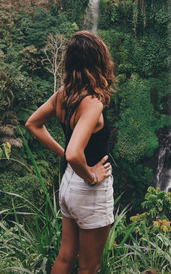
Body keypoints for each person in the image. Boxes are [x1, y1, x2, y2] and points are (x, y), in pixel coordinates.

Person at [25, 30, 115, 274]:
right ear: (99, 61)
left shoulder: (63, 94)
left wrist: (63, 154)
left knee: (65, 258)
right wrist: (92, 176)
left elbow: (32, 124)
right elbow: (75, 153)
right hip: (88, 192)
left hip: (68, 186)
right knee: (88, 267)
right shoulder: (93, 102)